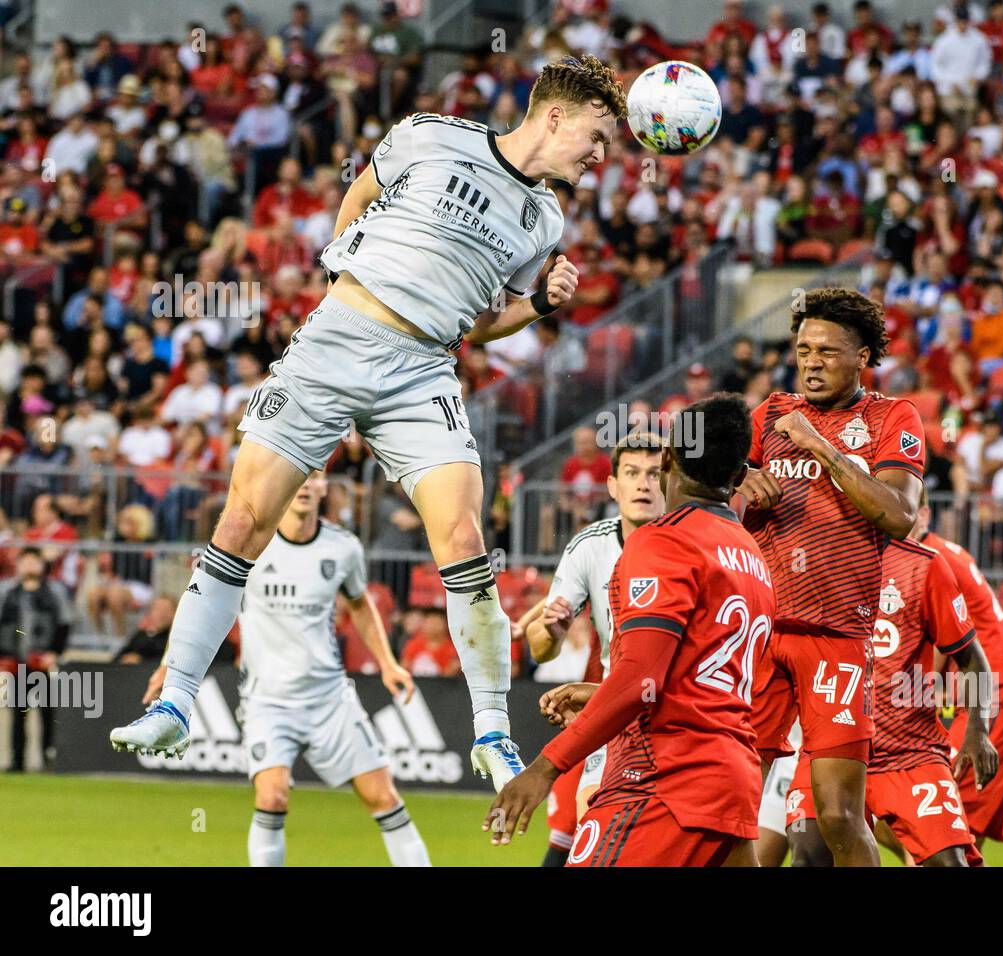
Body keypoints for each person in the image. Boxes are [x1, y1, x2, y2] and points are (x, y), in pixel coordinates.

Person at [111, 56, 628, 793]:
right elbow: (360, 193)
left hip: (422, 371)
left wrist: (540, 306)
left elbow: (481, 325)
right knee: (244, 520)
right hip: (337, 340)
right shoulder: (430, 134)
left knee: (464, 538)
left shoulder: (544, 217)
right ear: (556, 116)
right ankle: (175, 700)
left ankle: (491, 730)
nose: (601, 155)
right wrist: (344, 281)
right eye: (599, 135)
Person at [484, 394, 776, 866]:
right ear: (740, 476)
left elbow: (642, 681)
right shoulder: (752, 555)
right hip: (732, 779)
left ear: (668, 459)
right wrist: (600, 690)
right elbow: (693, 669)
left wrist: (544, 769)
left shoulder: (663, 541)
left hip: (664, 778)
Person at [141, 472, 429, 865]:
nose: (308, 485)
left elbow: (360, 605)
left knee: (384, 797)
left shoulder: (343, 547)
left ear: (326, 488)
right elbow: (202, 601)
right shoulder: (250, 545)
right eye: (301, 476)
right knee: (272, 796)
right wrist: (167, 667)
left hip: (329, 697)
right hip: (267, 700)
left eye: (317, 477)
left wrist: (388, 663)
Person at [740, 287, 927, 867]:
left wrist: (820, 446)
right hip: (762, 633)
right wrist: (739, 488)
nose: (812, 361)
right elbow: (702, 492)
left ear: (863, 357)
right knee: (732, 798)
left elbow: (899, 515)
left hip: (837, 638)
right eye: (803, 350)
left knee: (839, 814)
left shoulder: (892, 417)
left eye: (827, 350)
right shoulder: (768, 413)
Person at [782, 522, 997, 868]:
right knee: (809, 855)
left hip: (908, 753)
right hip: (831, 747)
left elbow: (973, 659)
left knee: (950, 864)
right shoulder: (813, 561)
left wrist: (979, 728)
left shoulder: (924, 566)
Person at [523, 431, 666, 865]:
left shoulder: (692, 541)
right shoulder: (590, 547)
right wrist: (552, 629)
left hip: (681, 715)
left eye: (655, 474)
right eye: (632, 473)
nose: (643, 484)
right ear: (613, 485)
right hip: (617, 714)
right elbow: (541, 650)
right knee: (592, 833)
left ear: (672, 481)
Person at [917, 489, 1003, 851]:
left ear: (924, 514)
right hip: (1001, 703)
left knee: (934, 829)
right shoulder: (944, 552)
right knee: (959, 842)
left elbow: (941, 639)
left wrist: (914, 696)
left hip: (995, 705)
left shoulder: (931, 558)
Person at [0, 549, 74, 771]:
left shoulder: (54, 592)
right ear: (18, 566)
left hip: (43, 663)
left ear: (42, 565)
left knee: (48, 714)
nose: (30, 566)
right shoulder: (9, 593)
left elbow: (64, 624)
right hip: (17, 663)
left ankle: (48, 759)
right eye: (26, 562)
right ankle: (17, 761)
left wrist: (54, 653)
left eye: (34, 561)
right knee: (17, 713)